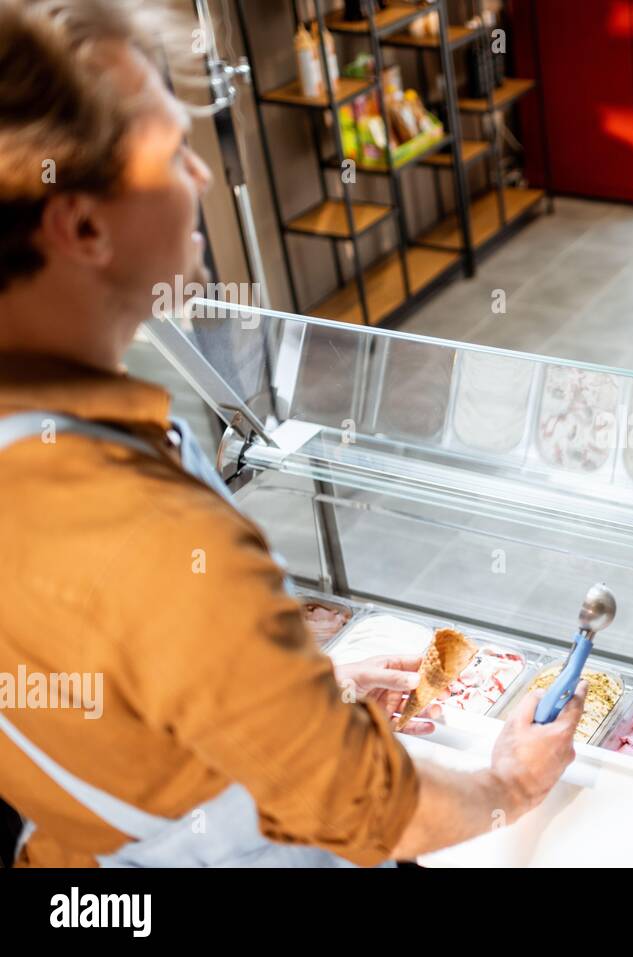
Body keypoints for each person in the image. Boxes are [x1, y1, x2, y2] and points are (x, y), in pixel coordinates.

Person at [0, 0, 584, 868]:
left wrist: (286, 705)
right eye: (172, 149)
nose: (201, 175)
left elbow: (110, 704)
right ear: (80, 225)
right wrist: (510, 783)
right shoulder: (148, 530)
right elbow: (375, 810)